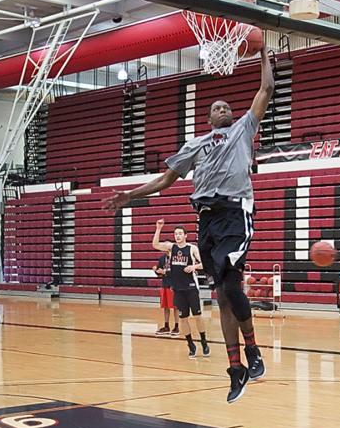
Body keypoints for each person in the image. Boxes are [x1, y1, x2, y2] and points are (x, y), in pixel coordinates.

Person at [107, 51, 274, 403]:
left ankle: (254, 351)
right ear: (208, 117)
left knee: (230, 286)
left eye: (226, 106)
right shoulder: (195, 145)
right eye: (216, 107)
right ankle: (236, 368)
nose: (223, 109)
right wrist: (129, 196)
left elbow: (266, 89)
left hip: (234, 215)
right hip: (207, 221)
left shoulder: (244, 129)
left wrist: (262, 53)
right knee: (223, 296)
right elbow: (165, 180)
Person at [152, 218, 210, 358]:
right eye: (175, 234)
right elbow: (155, 245)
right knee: (183, 318)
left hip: (191, 287)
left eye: (180, 233)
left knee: (197, 316)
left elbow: (206, 264)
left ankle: (203, 341)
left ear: (185, 235)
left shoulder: (192, 248)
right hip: (178, 288)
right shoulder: (171, 248)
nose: (177, 236)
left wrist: (194, 267)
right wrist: (158, 229)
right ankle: (190, 344)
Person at [154, 251, 178, 337]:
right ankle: (166, 326)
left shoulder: (176, 258)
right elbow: (159, 274)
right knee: (165, 306)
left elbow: (178, 271)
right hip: (165, 284)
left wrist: (165, 272)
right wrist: (156, 270)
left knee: (176, 307)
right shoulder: (162, 258)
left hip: (174, 285)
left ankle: (176, 326)